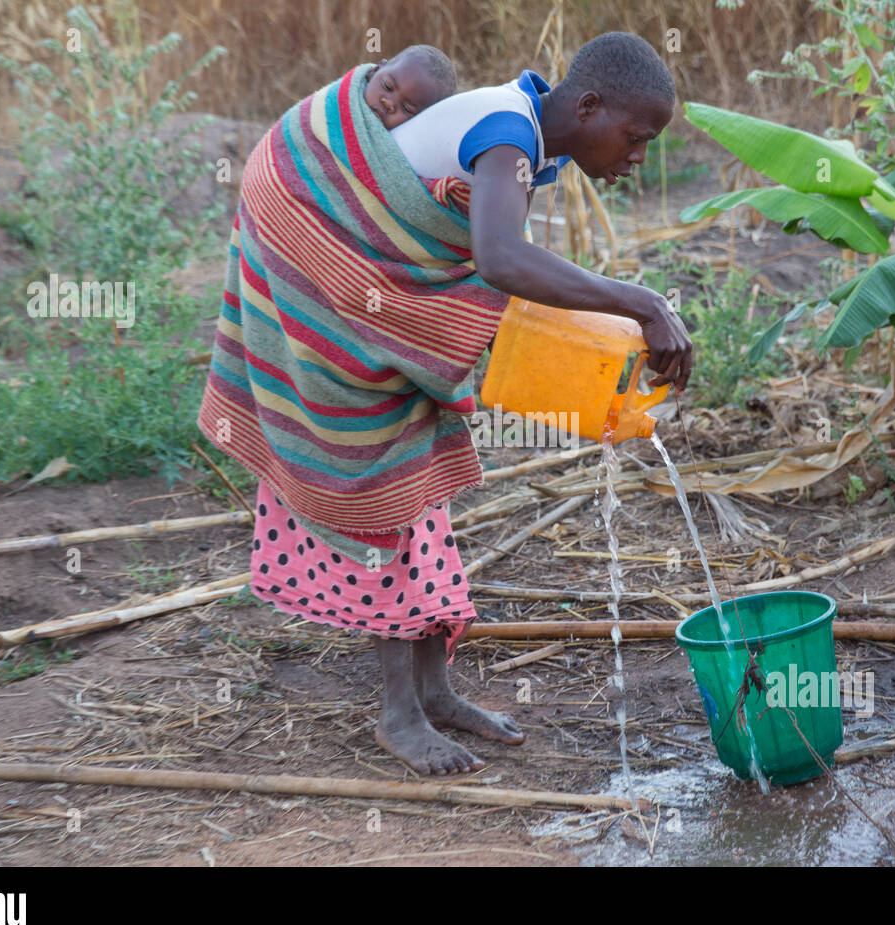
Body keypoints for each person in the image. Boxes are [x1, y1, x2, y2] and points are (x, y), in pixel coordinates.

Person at [199, 32, 691, 777]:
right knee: (387, 491)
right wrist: (642, 301)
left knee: (418, 482)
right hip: (318, 256)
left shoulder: (527, 137)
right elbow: (498, 259)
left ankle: (434, 692)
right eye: (636, 137)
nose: (637, 157)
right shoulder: (508, 132)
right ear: (588, 107)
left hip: (359, 285)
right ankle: (398, 717)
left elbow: (479, 257)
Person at [363, 44, 457, 130]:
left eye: (406, 108)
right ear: (376, 70)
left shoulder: (406, 146)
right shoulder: (349, 96)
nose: (388, 104)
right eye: (387, 86)